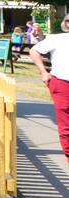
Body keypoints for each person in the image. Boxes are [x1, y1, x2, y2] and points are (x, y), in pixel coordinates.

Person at [32, 14, 69, 166]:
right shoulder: (57, 39)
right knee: (65, 122)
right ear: (67, 23)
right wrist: (43, 72)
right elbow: (34, 52)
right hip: (62, 83)